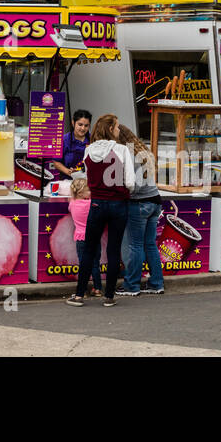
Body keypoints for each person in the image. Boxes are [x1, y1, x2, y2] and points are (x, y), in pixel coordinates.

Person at [67, 113, 134, 308]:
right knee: (113, 250)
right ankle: (109, 296)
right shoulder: (122, 150)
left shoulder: (89, 151)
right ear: (110, 129)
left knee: (89, 249)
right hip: (119, 204)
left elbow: (88, 179)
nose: (119, 130)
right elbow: (130, 182)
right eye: (117, 127)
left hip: (96, 204)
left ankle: (79, 295)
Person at [116, 125, 164, 297]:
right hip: (155, 200)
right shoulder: (142, 150)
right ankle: (156, 283)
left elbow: (133, 187)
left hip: (139, 203)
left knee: (135, 245)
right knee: (150, 245)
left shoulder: (128, 154)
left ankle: (132, 285)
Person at [68, 176, 101, 297]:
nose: (91, 193)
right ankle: (97, 288)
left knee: (83, 263)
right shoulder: (92, 204)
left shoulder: (72, 204)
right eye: (89, 190)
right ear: (81, 193)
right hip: (94, 236)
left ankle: (83, 289)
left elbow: (70, 203)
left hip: (81, 238)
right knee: (95, 263)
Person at [54, 110, 91, 178]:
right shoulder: (64, 140)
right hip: (68, 180)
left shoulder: (93, 140)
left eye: (86, 126)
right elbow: (56, 162)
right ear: (73, 123)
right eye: (80, 125)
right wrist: (69, 172)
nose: (83, 128)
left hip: (88, 180)